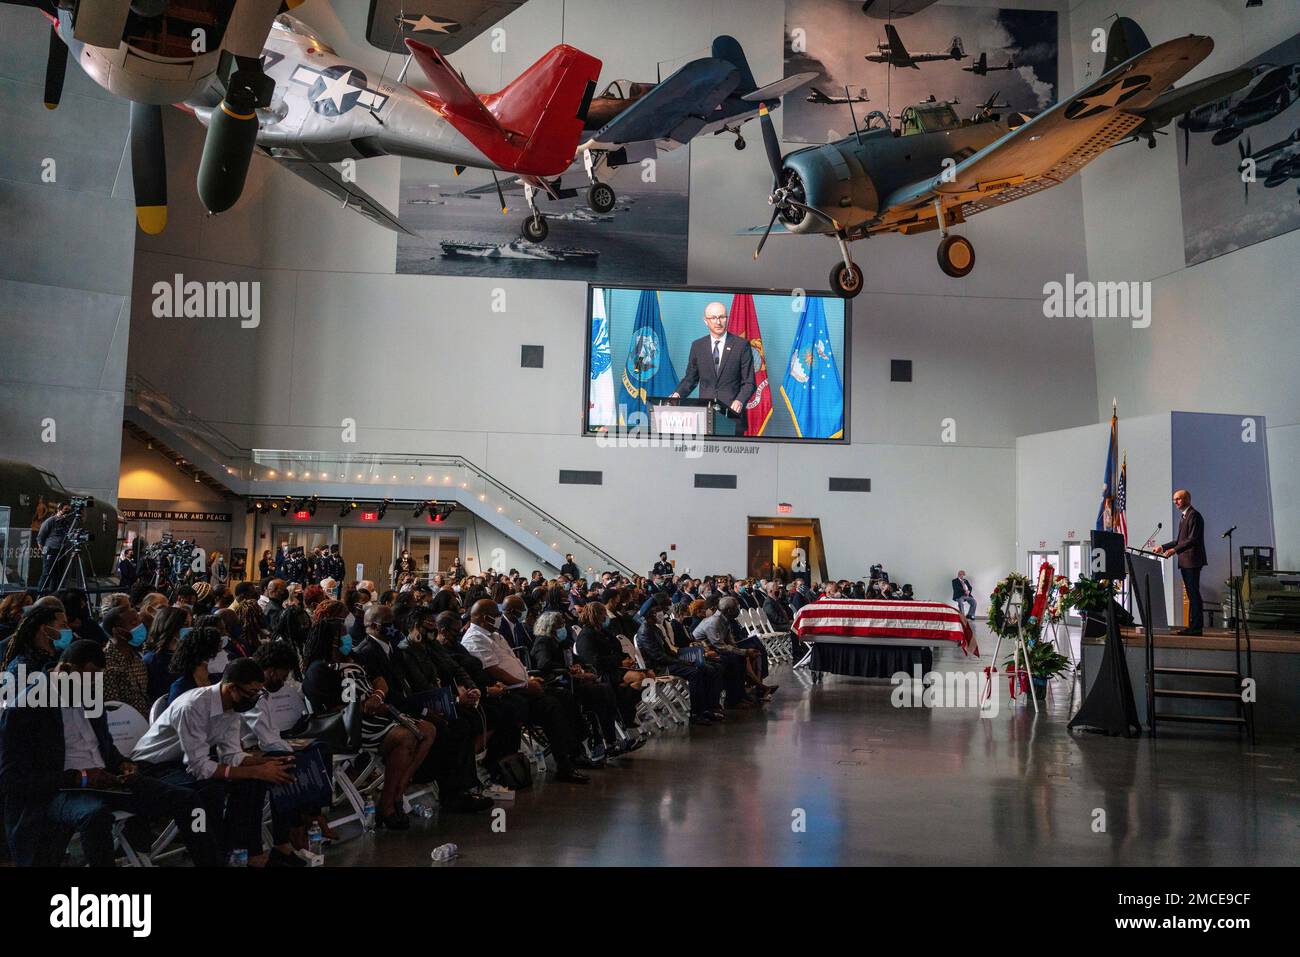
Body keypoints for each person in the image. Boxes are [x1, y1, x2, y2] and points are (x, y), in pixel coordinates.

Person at [0, 639, 222, 867]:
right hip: (63, 788)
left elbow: (105, 747)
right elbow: (12, 779)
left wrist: (123, 763)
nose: (93, 685)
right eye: (89, 677)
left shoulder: (89, 696)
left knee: (188, 800)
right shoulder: (26, 708)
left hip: (107, 780)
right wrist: (81, 777)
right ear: (65, 670)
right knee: (95, 817)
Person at [129, 657, 300, 866]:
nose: (254, 699)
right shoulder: (193, 706)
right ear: (230, 688)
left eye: (258, 693)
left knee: (254, 781)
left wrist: (262, 764)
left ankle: (242, 851)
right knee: (212, 790)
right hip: (154, 767)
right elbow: (200, 768)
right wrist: (256, 770)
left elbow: (232, 755)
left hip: (183, 762)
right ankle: (214, 856)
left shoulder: (233, 707)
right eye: (251, 693)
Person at [460, 598, 594, 783]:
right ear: (485, 618)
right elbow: (493, 671)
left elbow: (513, 662)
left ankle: (576, 752)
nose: (500, 617)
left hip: (522, 685)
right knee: (551, 705)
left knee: (564, 696)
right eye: (497, 615)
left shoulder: (495, 635)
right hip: (509, 691)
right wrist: (524, 684)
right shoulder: (475, 638)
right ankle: (564, 764)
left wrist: (528, 678)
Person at [668, 301, 757, 436]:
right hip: (704, 416)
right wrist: (677, 395)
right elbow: (690, 379)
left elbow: (749, 382)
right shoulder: (698, 346)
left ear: (727, 318)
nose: (718, 322)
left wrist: (739, 400)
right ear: (705, 321)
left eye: (722, 317)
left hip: (731, 417)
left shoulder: (741, 346)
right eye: (713, 318)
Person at [1155, 488, 1207, 636]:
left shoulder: (1194, 515)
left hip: (1192, 560)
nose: (1175, 502)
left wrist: (1174, 551)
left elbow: (1192, 540)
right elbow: (1179, 540)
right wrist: (1163, 547)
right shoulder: (1184, 517)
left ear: (1187, 499)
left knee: (1193, 594)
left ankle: (1196, 627)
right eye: (1174, 500)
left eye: (1178, 499)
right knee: (1192, 594)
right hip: (1186, 561)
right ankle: (1193, 626)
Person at [101, 604, 151, 718]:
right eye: (133, 623)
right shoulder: (106, 664)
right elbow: (113, 707)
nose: (139, 626)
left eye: (139, 621)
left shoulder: (137, 660)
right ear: (117, 631)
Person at [35, 502, 75, 593]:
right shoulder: (50, 521)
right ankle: (40, 594)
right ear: (59, 509)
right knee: (47, 573)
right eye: (65, 510)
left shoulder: (67, 523)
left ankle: (54, 595)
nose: (67, 512)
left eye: (69, 510)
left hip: (62, 551)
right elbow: (40, 537)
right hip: (51, 550)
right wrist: (44, 551)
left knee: (57, 575)